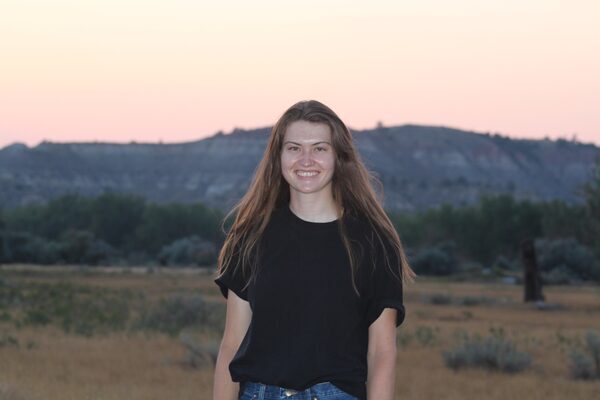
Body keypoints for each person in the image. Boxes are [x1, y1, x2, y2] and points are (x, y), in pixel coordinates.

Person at [213, 100, 415, 400]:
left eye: (319, 148)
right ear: (278, 156)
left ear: (338, 157)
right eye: (294, 148)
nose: (306, 160)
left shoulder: (373, 242)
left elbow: (382, 352)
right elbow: (232, 342)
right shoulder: (251, 236)